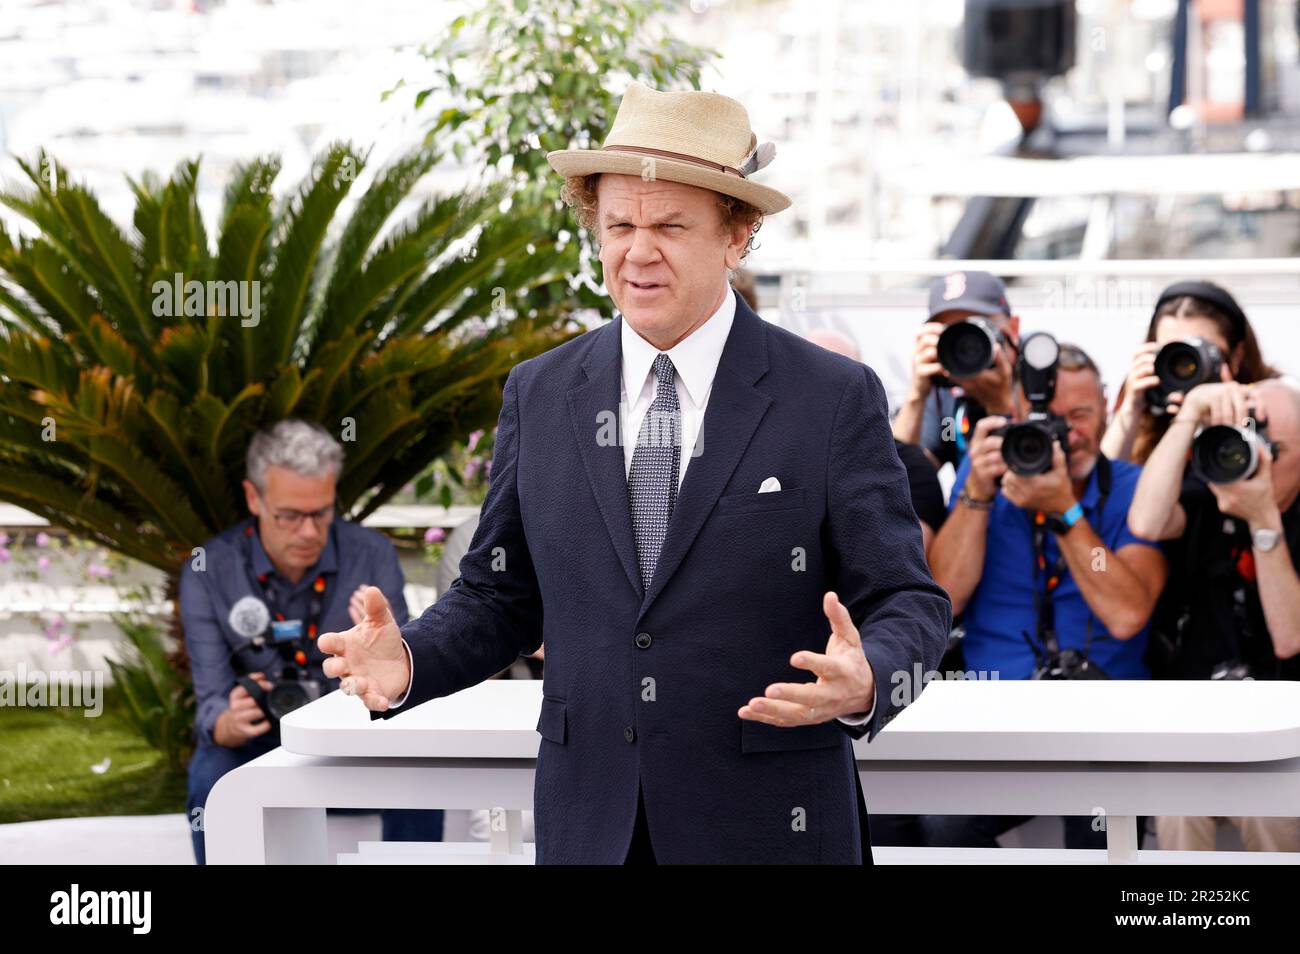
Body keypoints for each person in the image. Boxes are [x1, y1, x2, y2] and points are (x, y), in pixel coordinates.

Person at [317, 82, 951, 864]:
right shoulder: (541, 392)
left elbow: (908, 600)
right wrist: (408, 659)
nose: (637, 251)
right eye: (619, 225)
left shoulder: (829, 396)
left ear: (737, 234)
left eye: (670, 226)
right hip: (592, 826)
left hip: (772, 828)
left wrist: (871, 678)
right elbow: (500, 595)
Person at [924, 343, 1168, 849]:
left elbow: (1127, 613)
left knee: (1101, 833)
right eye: (1050, 420)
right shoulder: (986, 475)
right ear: (1017, 417)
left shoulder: (1132, 488)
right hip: (997, 721)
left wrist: (1065, 514)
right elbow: (943, 598)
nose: (1067, 435)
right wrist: (975, 497)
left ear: (1105, 407)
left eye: (1080, 415)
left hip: (1108, 727)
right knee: (940, 823)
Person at [181, 420, 443, 864]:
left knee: (416, 773)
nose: (308, 532)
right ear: (253, 498)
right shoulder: (209, 569)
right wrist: (226, 721)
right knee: (211, 777)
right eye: (290, 516)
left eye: (321, 513)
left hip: (355, 735)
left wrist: (389, 646)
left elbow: (401, 687)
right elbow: (211, 700)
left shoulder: (371, 554)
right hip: (257, 741)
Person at [1127, 377, 1300, 852]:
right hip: (1198, 725)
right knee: (1176, 805)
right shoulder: (1207, 496)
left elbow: (1291, 638)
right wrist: (1191, 416)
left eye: (1271, 448)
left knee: (1271, 814)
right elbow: (1144, 522)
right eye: (1243, 442)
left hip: (1286, 735)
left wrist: (1264, 520)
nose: (1250, 459)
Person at [1101, 280, 1278, 464]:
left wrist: (1234, 424)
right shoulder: (1143, 402)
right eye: (1174, 352)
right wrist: (1131, 409)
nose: (1186, 366)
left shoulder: (1266, 406)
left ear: (1236, 356)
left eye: (1203, 352)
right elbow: (1101, 486)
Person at [806, 328, 946, 554]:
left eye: (838, 382)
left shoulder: (910, 469)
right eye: (809, 380)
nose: (823, 396)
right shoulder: (771, 458)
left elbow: (904, 562)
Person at [891, 271, 1021, 471]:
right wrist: (916, 396)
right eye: (952, 332)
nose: (966, 345)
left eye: (977, 327)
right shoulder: (945, 394)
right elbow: (908, 480)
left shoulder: (1041, 378)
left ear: (1012, 328)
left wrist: (1000, 405)